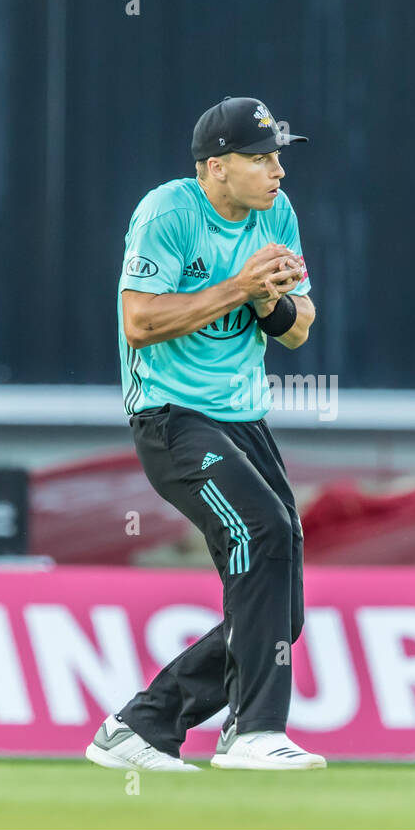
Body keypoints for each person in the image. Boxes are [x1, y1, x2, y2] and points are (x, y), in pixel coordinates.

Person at [85, 96, 323, 771]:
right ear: (217, 168)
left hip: (244, 420)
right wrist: (239, 285)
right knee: (264, 534)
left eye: (280, 157)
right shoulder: (168, 213)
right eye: (261, 159)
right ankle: (252, 733)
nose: (278, 172)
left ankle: (141, 726)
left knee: (281, 613)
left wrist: (268, 298)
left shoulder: (276, 213)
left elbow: (300, 327)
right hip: (171, 417)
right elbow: (141, 323)